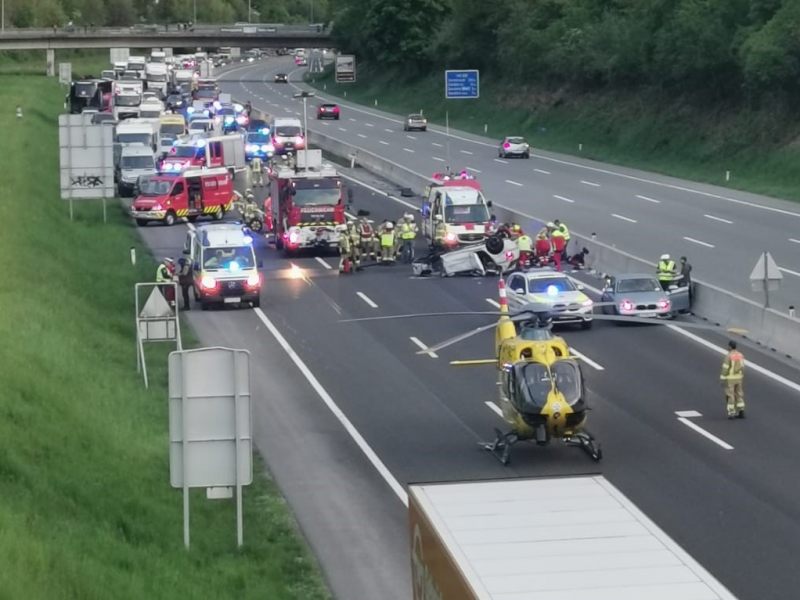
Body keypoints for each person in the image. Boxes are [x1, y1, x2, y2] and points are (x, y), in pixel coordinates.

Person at [720, 340, 745, 419]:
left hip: (730, 378)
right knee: (739, 394)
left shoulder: (729, 356)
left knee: (730, 395)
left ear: (730, 347)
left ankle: (731, 412)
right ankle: (741, 410)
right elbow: (742, 366)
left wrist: (722, 378)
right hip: (739, 378)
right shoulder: (740, 355)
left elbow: (725, 368)